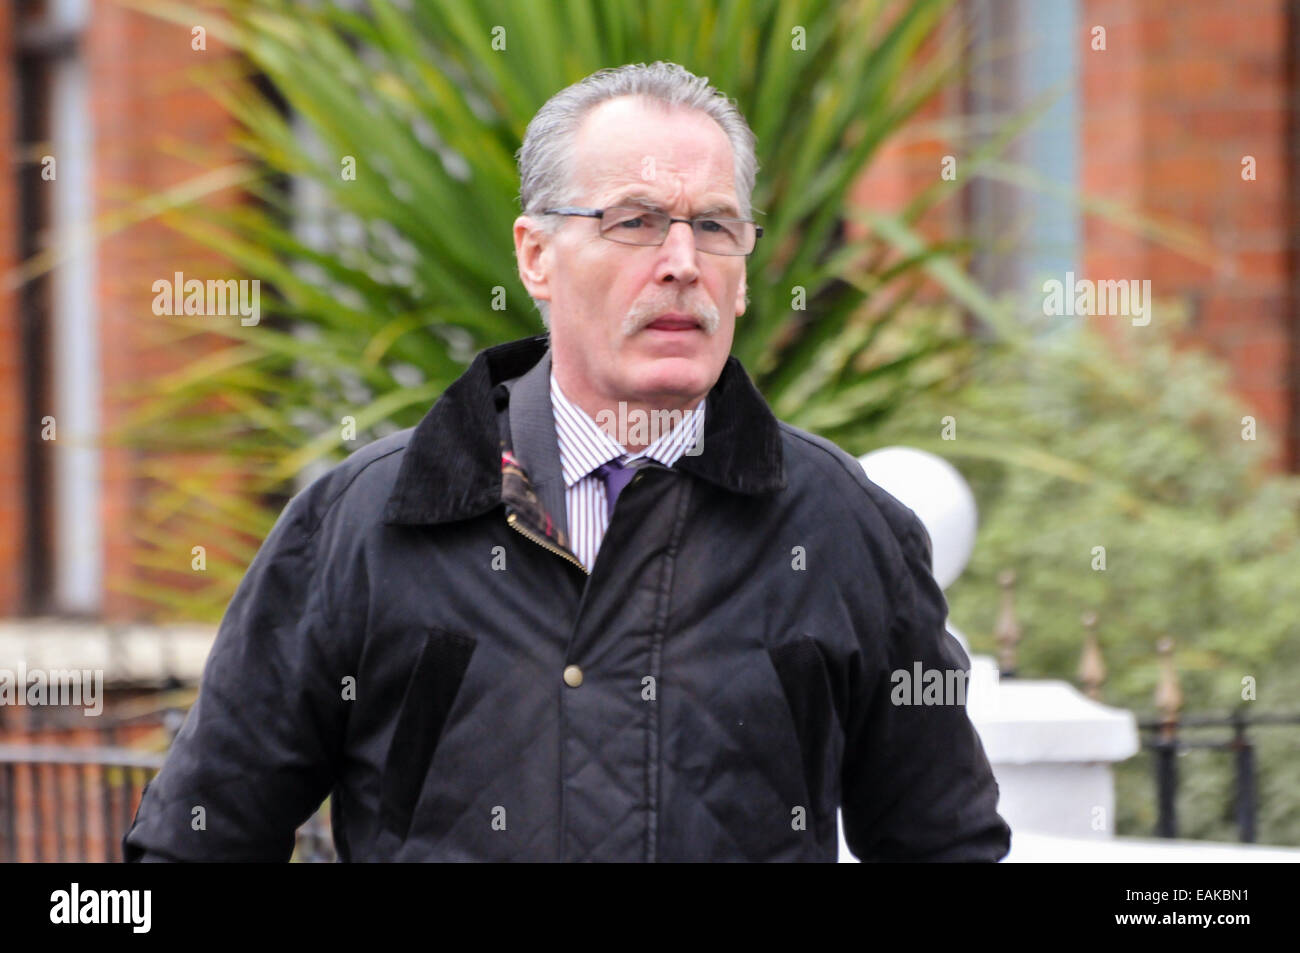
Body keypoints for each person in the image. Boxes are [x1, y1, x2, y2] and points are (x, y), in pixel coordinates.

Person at [124, 61, 1011, 862]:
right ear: (536, 255)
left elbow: (948, 844)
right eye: (635, 221)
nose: (681, 264)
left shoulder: (841, 528)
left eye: (714, 226)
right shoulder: (365, 522)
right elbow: (192, 845)